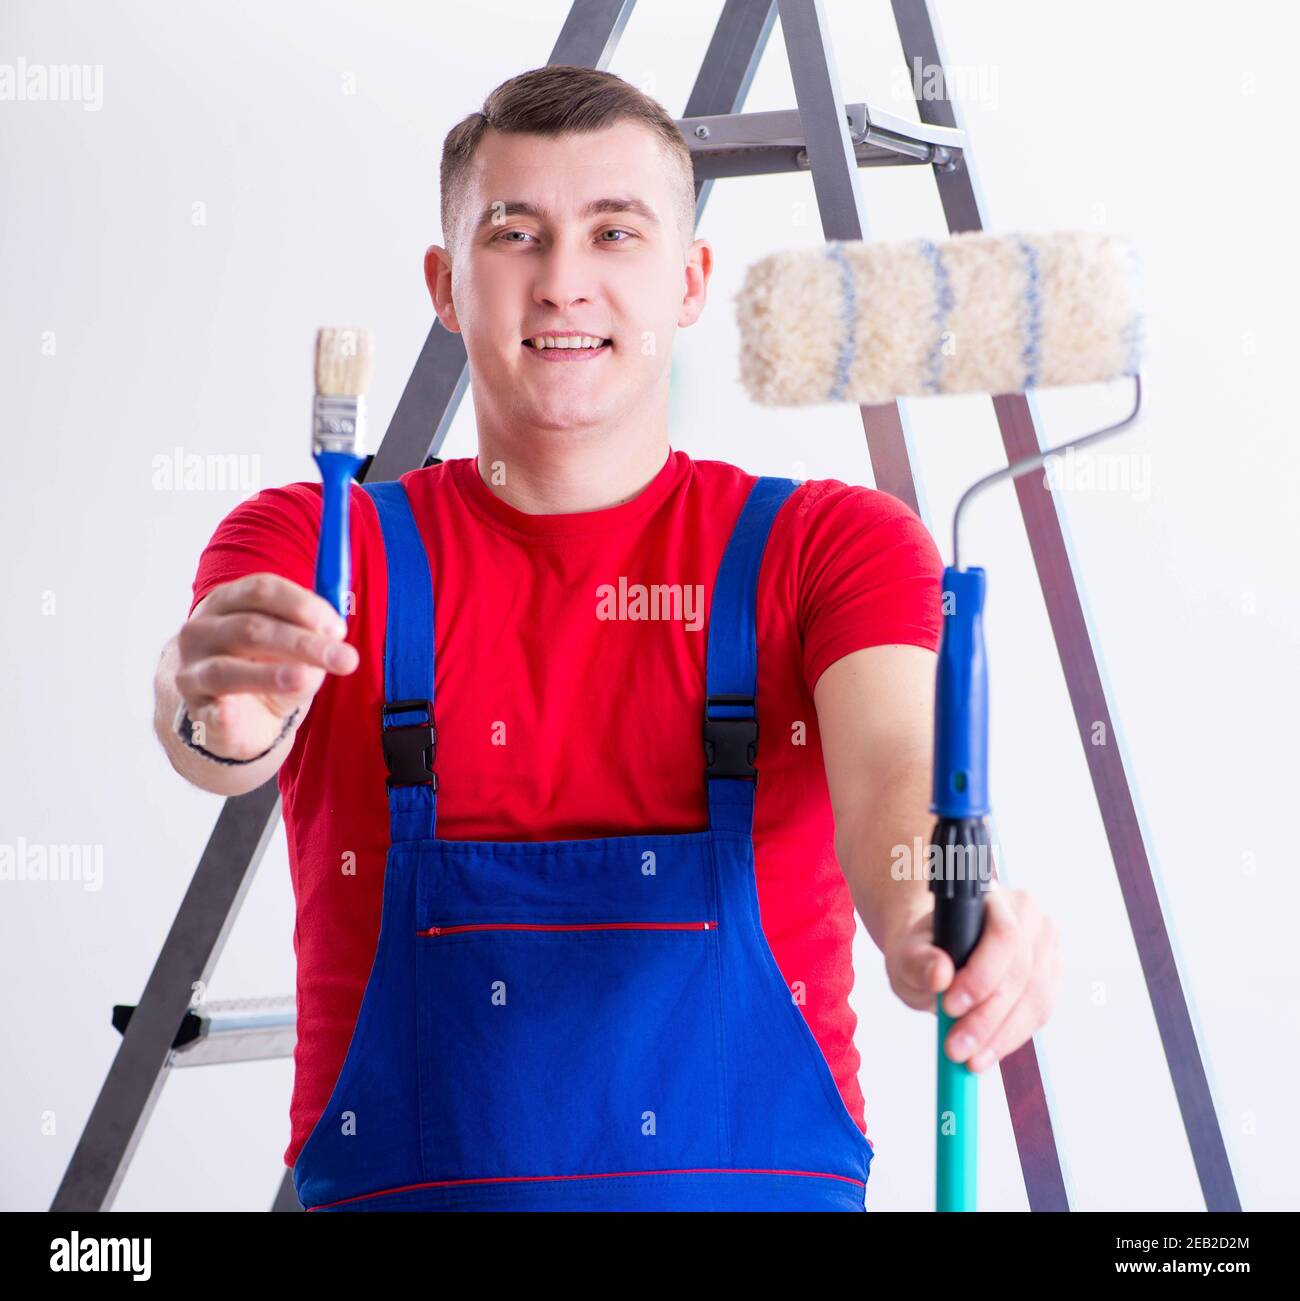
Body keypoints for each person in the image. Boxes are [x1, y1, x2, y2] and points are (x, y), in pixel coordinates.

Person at [152, 65, 1061, 1212]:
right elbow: (216, 732)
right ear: (446, 285)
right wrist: (216, 713)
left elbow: (896, 774)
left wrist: (940, 911)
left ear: (687, 282)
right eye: (516, 234)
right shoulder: (317, 541)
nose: (562, 284)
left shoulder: (826, 545)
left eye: (614, 234)